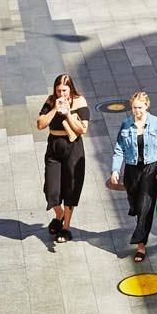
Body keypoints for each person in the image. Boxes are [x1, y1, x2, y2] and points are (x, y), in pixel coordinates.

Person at [108, 91, 157, 261]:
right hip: (132, 169)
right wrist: (115, 169)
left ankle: (140, 245)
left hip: (151, 168)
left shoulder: (156, 123)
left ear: (147, 106)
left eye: (140, 108)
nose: (137, 111)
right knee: (135, 204)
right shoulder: (126, 124)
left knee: (145, 206)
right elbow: (119, 148)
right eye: (134, 108)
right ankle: (139, 223)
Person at [38, 73, 88, 243]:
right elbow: (40, 124)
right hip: (54, 145)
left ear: (71, 89)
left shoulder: (79, 101)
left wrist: (67, 114)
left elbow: (82, 129)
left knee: (71, 187)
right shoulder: (52, 100)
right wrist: (55, 109)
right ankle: (59, 215)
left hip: (73, 147)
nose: (62, 94)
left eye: (65, 91)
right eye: (59, 91)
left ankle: (66, 227)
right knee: (50, 189)